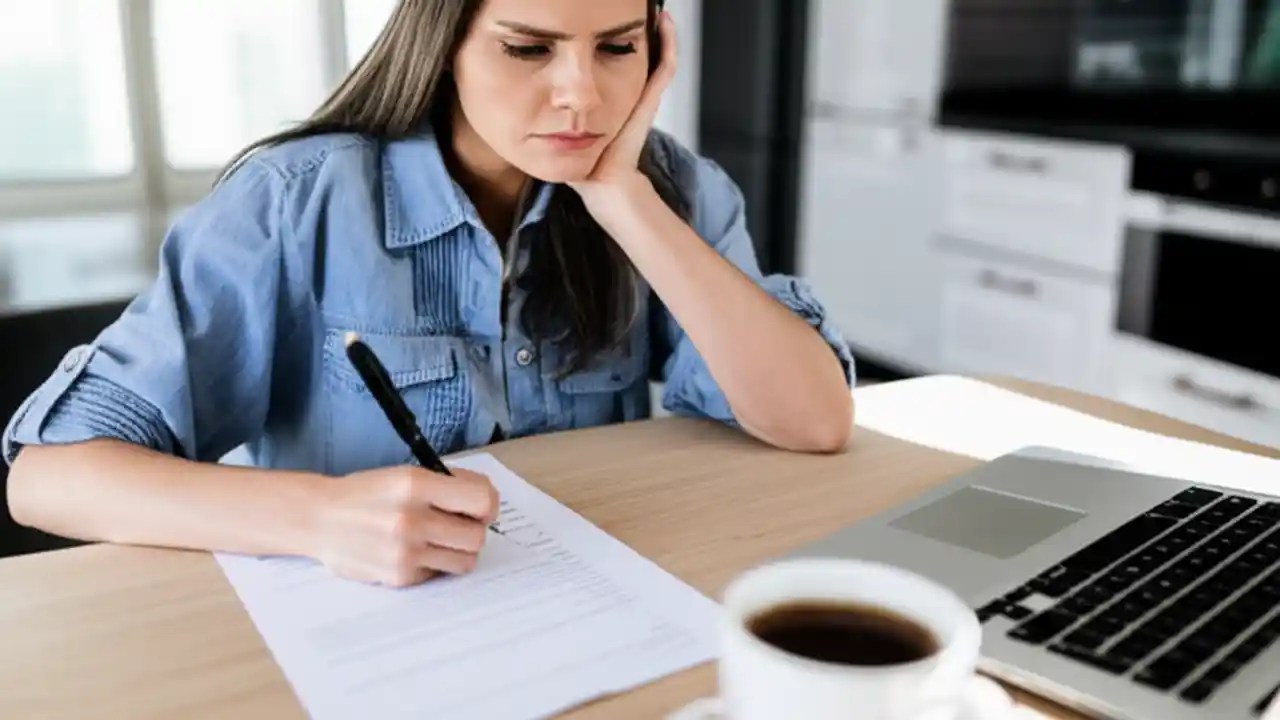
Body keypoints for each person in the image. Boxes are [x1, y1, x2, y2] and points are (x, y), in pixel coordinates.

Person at [3, 0, 855, 587]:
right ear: (443, 42)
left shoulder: (673, 190)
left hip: (591, 603)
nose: (582, 96)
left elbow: (814, 421)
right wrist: (320, 517)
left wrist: (624, 202)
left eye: (617, 47)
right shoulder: (293, 201)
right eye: (529, 48)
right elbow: (49, 478)